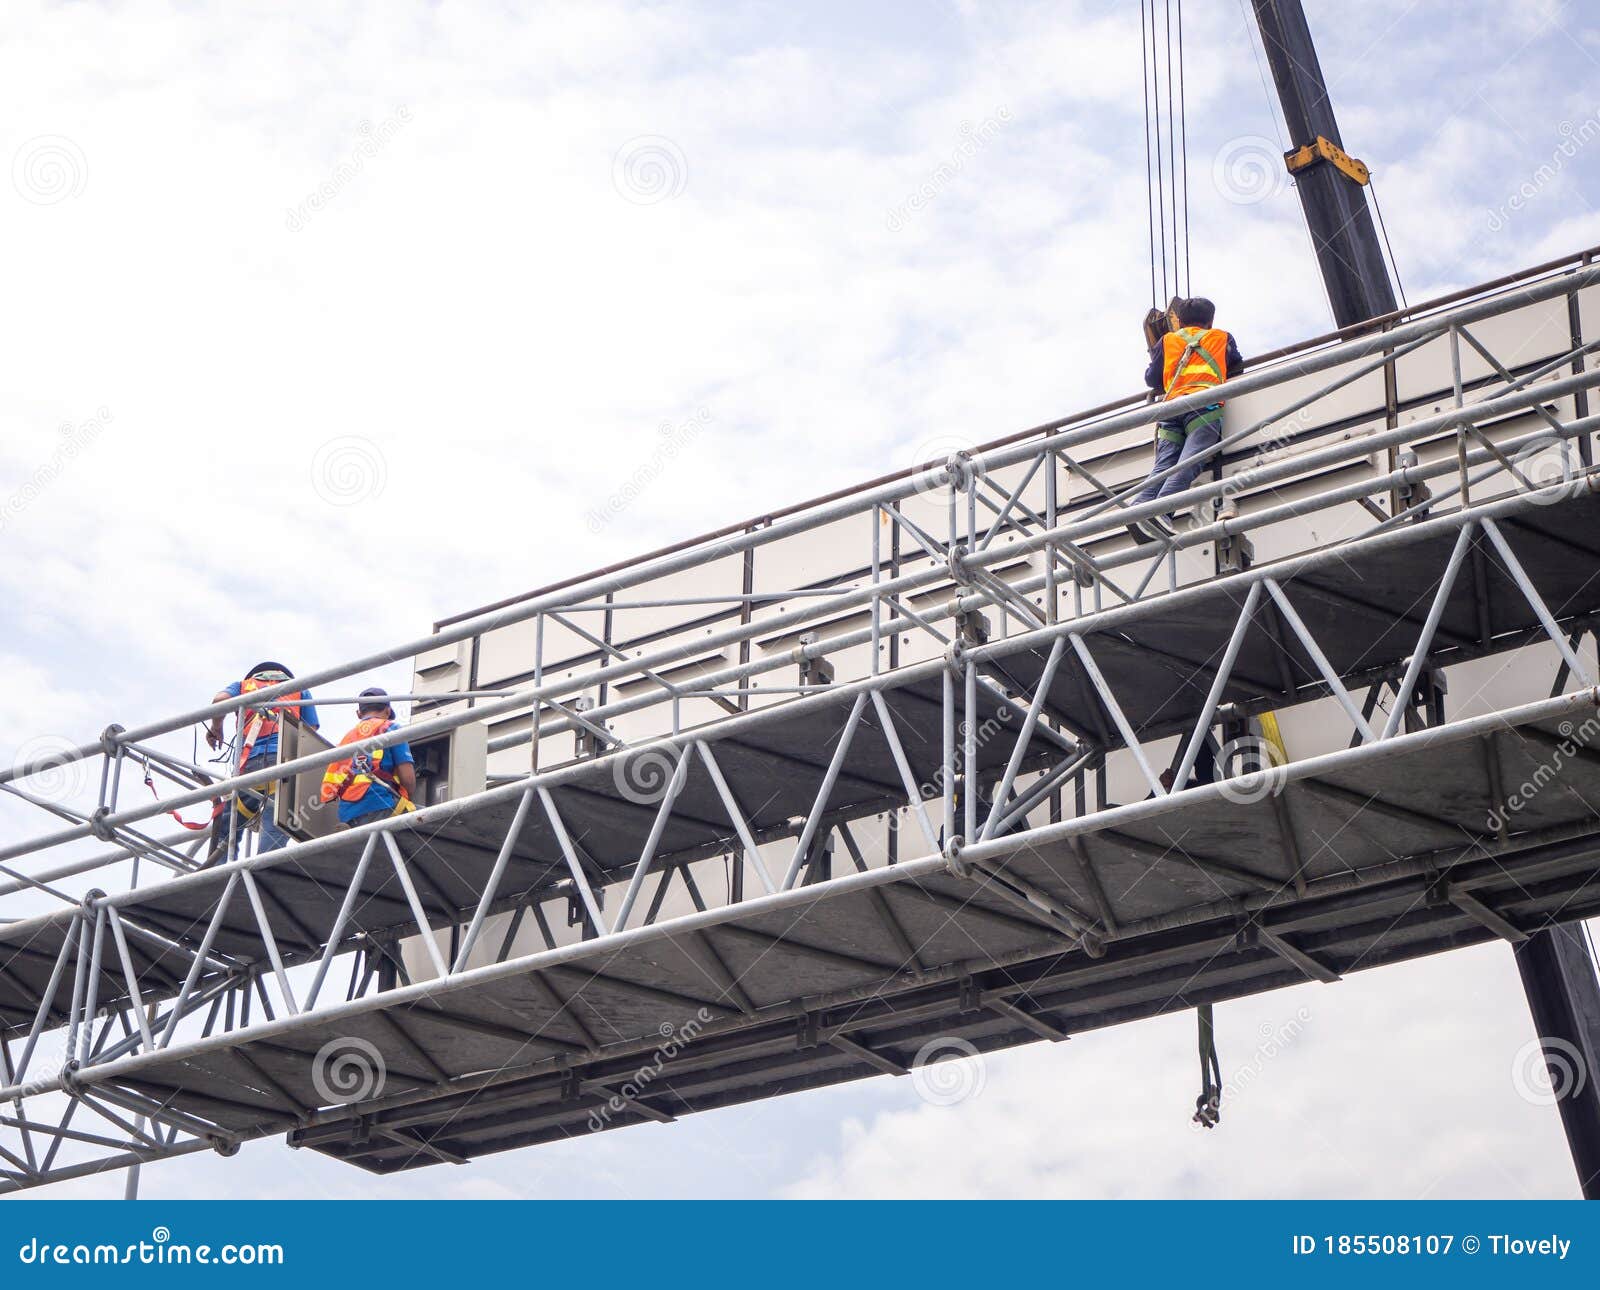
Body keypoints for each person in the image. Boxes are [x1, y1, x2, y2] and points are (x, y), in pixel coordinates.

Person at [1129, 297, 1245, 542]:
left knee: (1165, 464)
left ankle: (1140, 505)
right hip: (1204, 404)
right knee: (1190, 460)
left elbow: (1152, 378)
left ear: (1178, 321)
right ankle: (1161, 512)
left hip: (1171, 408)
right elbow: (1237, 365)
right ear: (1211, 320)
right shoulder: (1221, 337)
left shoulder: (1168, 340)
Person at [203, 661, 319, 863]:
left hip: (250, 764)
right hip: (285, 761)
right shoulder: (299, 689)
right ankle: (265, 869)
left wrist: (216, 727)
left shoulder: (243, 685)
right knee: (277, 818)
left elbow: (219, 700)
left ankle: (219, 870)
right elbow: (311, 732)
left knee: (229, 822)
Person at [318, 688, 418, 829]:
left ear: (359, 714)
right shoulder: (391, 728)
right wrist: (408, 798)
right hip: (382, 806)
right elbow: (408, 779)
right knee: (434, 821)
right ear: (388, 711)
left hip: (347, 815)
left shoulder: (345, 740)